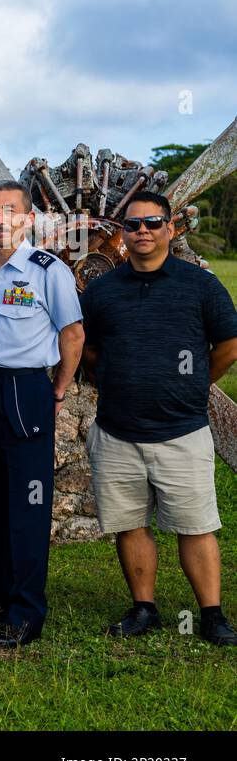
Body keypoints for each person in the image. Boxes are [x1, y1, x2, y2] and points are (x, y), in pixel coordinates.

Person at [81, 191, 237, 646]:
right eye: (133, 225)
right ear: (123, 235)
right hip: (116, 431)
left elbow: (228, 343)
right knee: (130, 523)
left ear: (170, 228)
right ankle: (143, 607)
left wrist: (196, 382)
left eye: (152, 223)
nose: (142, 231)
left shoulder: (200, 285)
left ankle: (212, 615)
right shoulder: (102, 290)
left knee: (195, 525)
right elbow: (87, 349)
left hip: (181, 430)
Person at [0, 181, 84, 648]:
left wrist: (56, 389)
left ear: (28, 219)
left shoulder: (46, 270)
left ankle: (25, 612)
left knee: (26, 506)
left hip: (24, 389)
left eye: (8, 211)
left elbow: (72, 335)